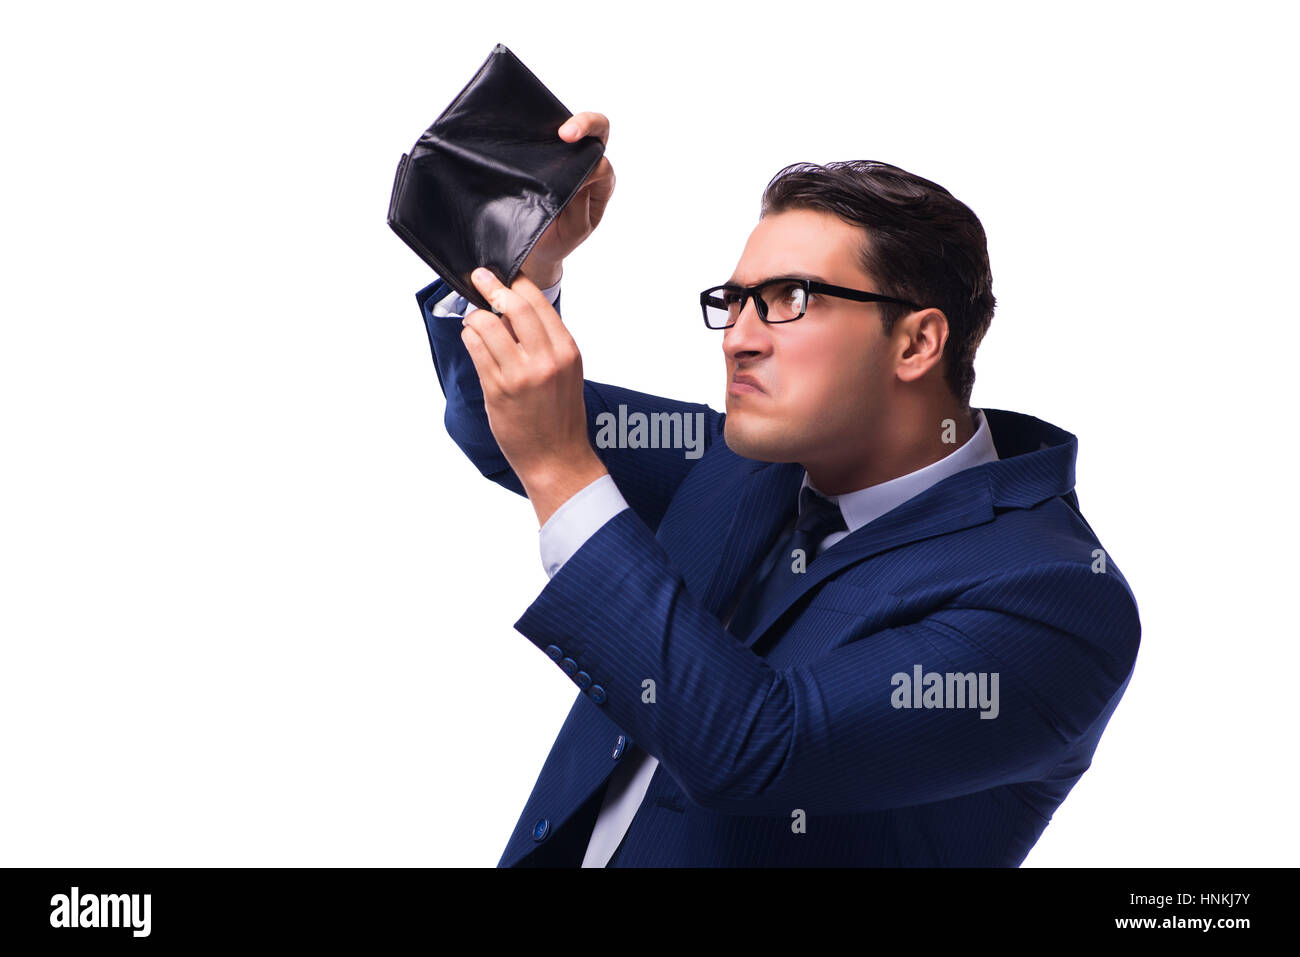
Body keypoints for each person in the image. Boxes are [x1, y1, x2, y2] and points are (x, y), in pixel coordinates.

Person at [413, 111, 1141, 866]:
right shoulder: (749, 460)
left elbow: (759, 748)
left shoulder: (1056, 598)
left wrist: (565, 470)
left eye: (790, 298)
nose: (738, 335)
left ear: (918, 342)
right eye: (735, 300)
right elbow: (494, 418)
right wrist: (522, 249)